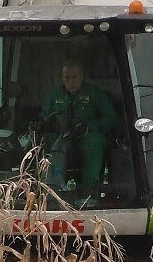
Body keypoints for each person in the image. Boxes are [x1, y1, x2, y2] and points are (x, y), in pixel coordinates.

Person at [39, 60, 118, 194]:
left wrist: (90, 125)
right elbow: (45, 116)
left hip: (87, 135)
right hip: (61, 136)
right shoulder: (55, 95)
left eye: (74, 77)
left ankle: (89, 189)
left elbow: (112, 119)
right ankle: (50, 188)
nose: (71, 82)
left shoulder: (95, 94)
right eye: (67, 78)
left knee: (94, 143)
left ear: (81, 76)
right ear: (62, 79)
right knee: (44, 143)